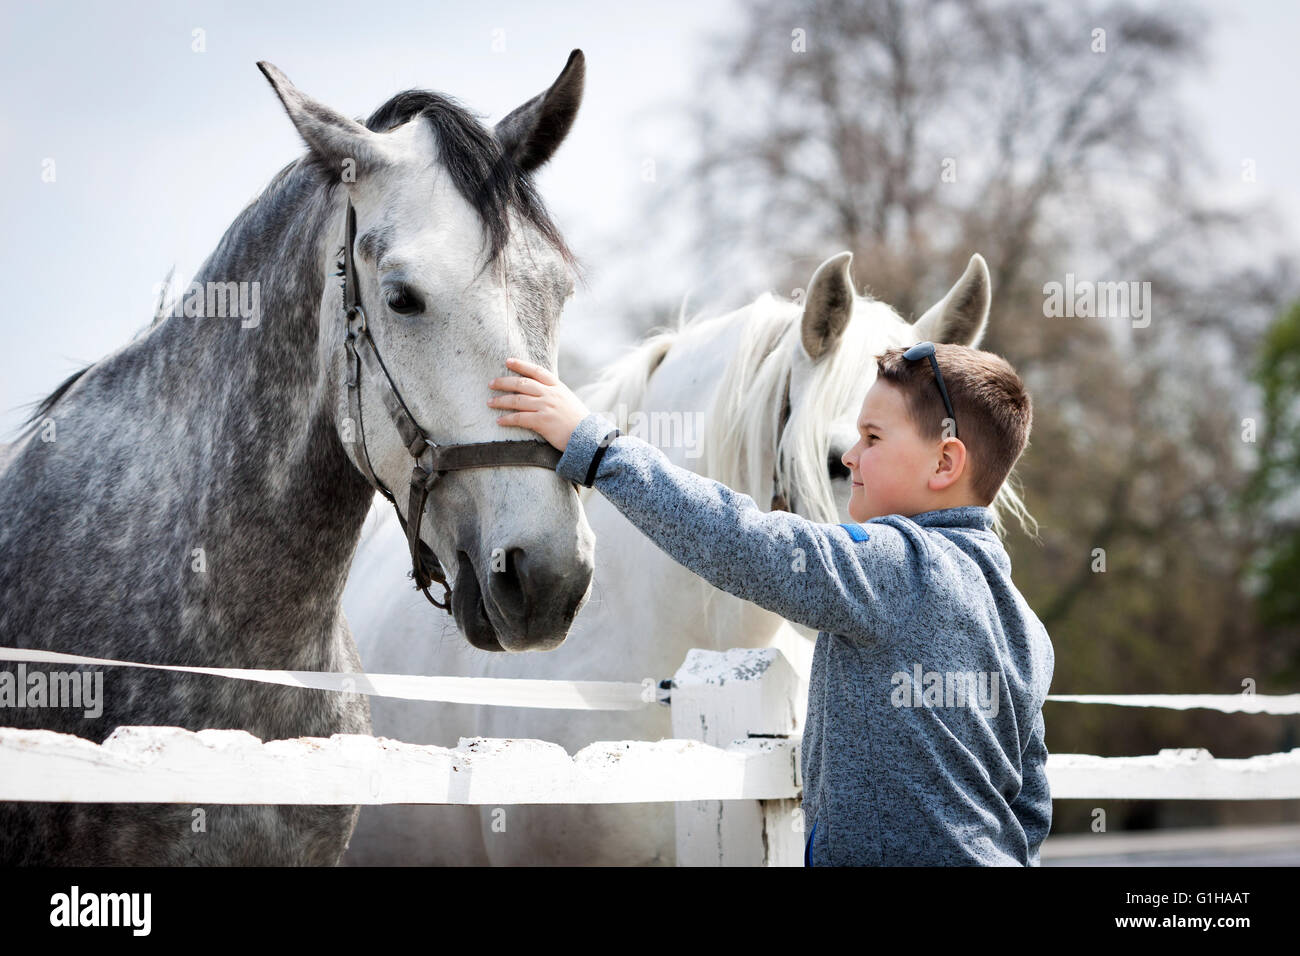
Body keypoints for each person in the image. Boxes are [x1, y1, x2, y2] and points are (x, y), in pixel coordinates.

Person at [486, 342, 1054, 866]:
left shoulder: (900, 566)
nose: (851, 456)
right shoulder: (1024, 625)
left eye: (873, 438)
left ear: (945, 464)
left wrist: (596, 448)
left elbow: (745, 543)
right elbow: (1028, 806)